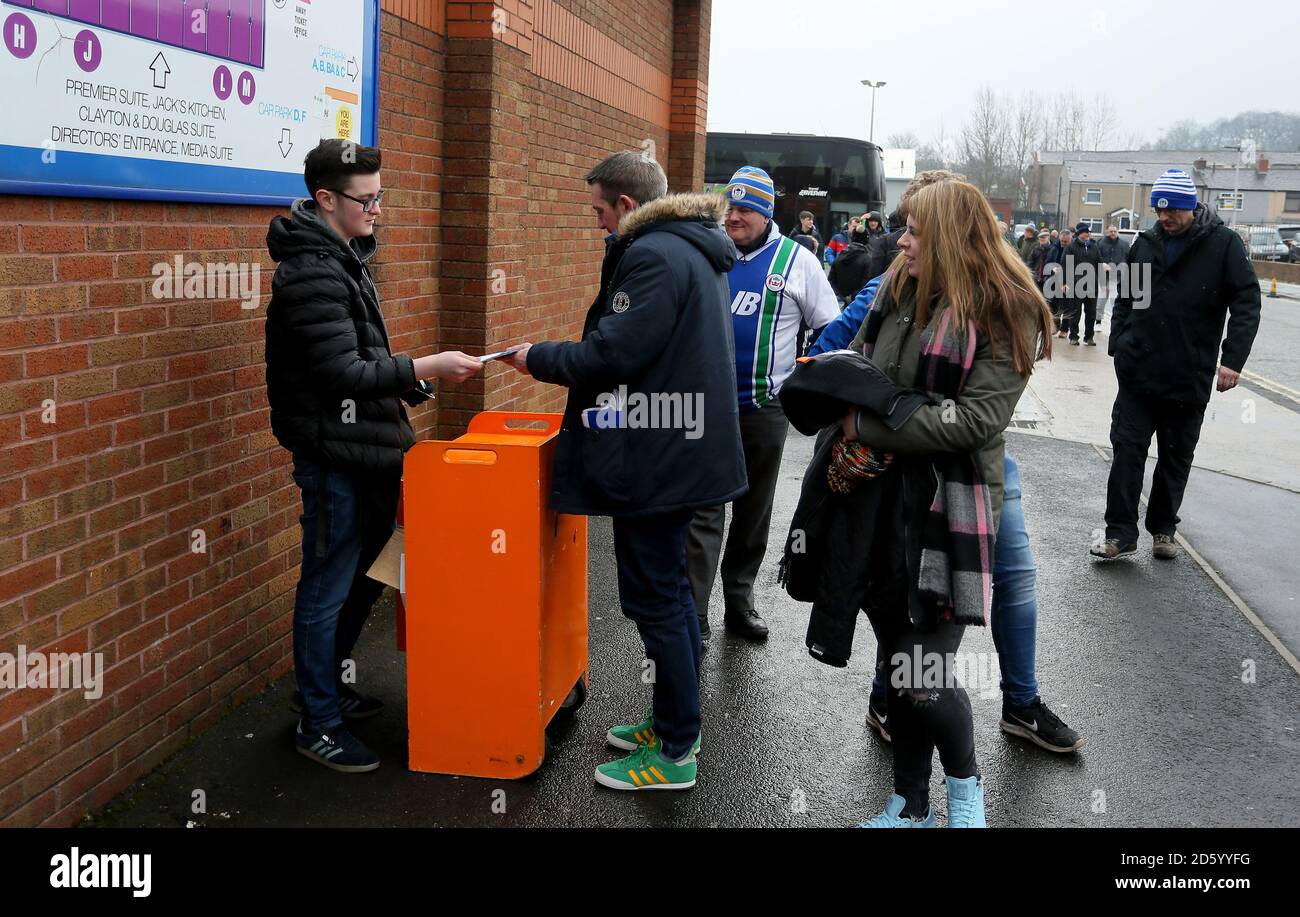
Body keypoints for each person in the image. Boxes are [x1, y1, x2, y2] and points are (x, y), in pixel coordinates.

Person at [503, 151, 746, 790]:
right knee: (666, 593)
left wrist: (537, 358)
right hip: (675, 449)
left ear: (629, 207)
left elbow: (613, 352)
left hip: (659, 460)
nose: (598, 225)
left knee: (657, 597)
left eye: (601, 212)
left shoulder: (653, 257)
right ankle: (671, 720)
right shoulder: (688, 249)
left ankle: (673, 752)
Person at [839, 179, 1055, 826]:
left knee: (923, 672)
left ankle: (966, 793)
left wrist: (867, 427)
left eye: (915, 232)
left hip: (951, 511)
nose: (900, 241)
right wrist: (837, 394)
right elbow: (862, 366)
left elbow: (972, 421)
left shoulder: (1008, 307)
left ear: (954, 241)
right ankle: (910, 804)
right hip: (882, 503)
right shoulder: (898, 285)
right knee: (898, 666)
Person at [265, 139, 484, 773]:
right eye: (367, 200)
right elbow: (338, 372)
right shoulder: (310, 270)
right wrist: (425, 365)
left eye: (380, 196)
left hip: (366, 450)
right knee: (328, 585)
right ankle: (318, 722)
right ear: (325, 198)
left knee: (362, 578)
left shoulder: (344, 258)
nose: (377, 211)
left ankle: (325, 690)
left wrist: (407, 380)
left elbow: (359, 359)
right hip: (335, 457)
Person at [687, 166, 840, 643]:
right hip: (706, 409)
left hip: (763, 409)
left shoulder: (797, 261)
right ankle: (694, 613)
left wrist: (805, 383)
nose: (735, 216)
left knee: (753, 510)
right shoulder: (707, 251)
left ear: (767, 213)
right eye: (730, 206)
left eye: (746, 209)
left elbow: (832, 329)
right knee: (703, 511)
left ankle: (740, 600)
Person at [1092, 168, 1261, 561]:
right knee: (1127, 451)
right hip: (1138, 372)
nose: (1163, 218)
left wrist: (1232, 360)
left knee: (1175, 457)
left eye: (1172, 212)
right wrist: (1119, 342)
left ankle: (1163, 529)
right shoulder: (1147, 243)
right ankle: (1120, 533)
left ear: (1190, 207)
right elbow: (1126, 299)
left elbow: (1247, 303)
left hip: (1189, 374)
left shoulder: (1224, 245)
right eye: (1158, 210)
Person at [1063, 223, 1102, 345]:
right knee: (1075, 312)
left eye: (1089, 233)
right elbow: (1065, 265)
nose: (1088, 234)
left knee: (1091, 313)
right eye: (1086, 232)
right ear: (1080, 234)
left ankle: (1089, 337)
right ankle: (1074, 336)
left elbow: (1099, 262)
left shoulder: (1094, 247)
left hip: (1091, 285)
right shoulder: (1071, 247)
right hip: (1075, 284)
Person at [1096, 224, 1129, 327]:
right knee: (1101, 300)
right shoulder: (1100, 243)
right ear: (1107, 232)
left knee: (1114, 300)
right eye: (1111, 231)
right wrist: (1101, 264)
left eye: (1115, 231)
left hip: (1117, 277)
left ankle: (1115, 320)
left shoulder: (1124, 244)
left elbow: (1127, 258)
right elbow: (1096, 257)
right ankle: (1098, 321)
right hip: (1103, 276)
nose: (1113, 233)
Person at [1042, 228, 1072, 336]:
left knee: (1067, 305)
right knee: (1054, 304)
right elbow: (1048, 262)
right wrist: (1052, 269)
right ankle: (1055, 326)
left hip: (1069, 281)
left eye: (1066, 242)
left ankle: (1064, 329)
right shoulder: (1054, 248)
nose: (1063, 243)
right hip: (1055, 279)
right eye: (1062, 241)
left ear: (1070, 240)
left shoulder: (1073, 249)